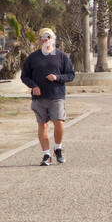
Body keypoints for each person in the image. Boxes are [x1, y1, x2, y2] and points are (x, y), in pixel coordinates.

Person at [21, 27, 76, 166]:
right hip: (39, 98)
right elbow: (24, 76)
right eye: (44, 38)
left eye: (49, 38)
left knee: (59, 122)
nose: (46, 41)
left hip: (57, 95)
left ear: (53, 39)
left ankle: (58, 148)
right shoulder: (32, 57)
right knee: (42, 125)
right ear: (40, 40)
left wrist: (57, 77)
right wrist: (34, 86)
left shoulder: (62, 56)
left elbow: (71, 75)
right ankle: (46, 155)